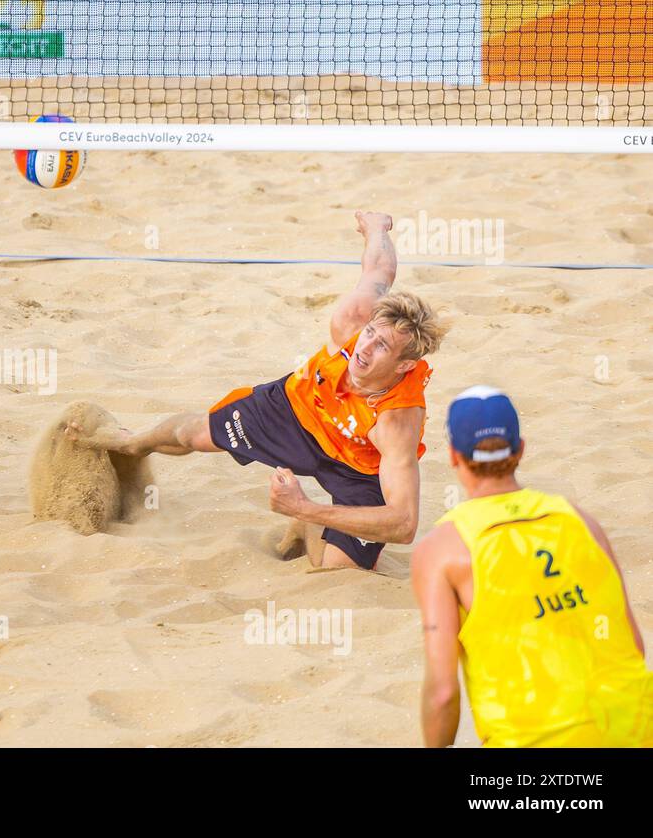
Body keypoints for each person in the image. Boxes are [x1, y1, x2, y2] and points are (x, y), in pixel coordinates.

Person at [69, 211, 447, 570]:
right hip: (299, 408)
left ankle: (309, 524)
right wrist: (377, 229)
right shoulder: (353, 320)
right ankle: (135, 443)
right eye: (370, 335)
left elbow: (404, 524)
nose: (365, 348)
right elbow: (380, 269)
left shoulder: (396, 420)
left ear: (405, 366)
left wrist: (303, 509)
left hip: (357, 465)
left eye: (382, 347)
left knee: (338, 568)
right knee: (194, 434)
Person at [411, 386, 653, 746]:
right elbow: (633, 645)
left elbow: (444, 694)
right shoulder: (581, 521)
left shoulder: (442, 548)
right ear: (520, 449)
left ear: (452, 456)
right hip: (634, 727)